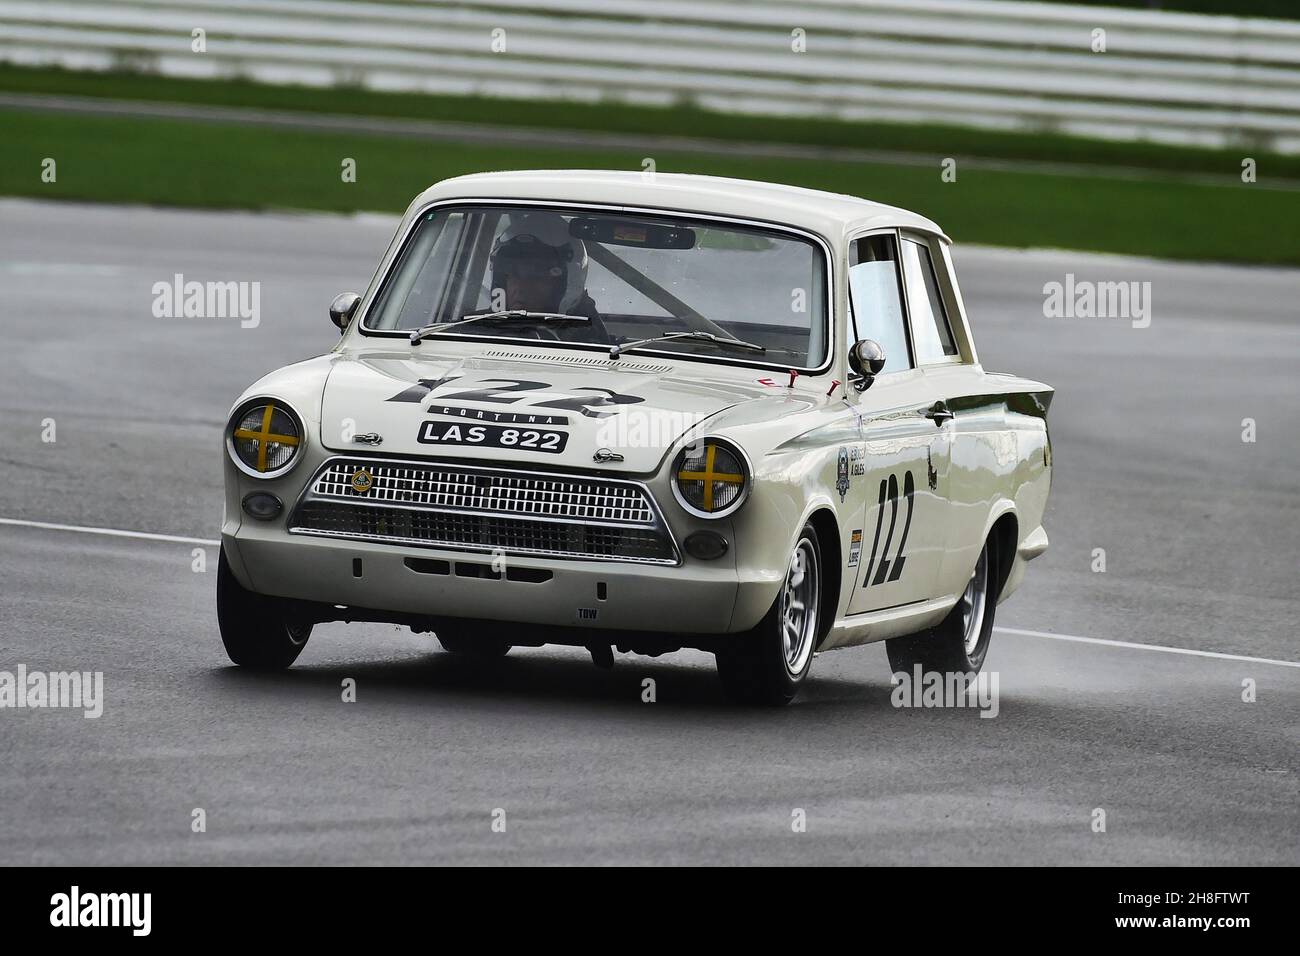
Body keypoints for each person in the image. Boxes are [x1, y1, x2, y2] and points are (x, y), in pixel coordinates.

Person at [487, 214, 609, 340]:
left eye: (535, 276)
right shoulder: (474, 328)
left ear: (566, 284)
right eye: (512, 274)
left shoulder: (591, 346)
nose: (520, 287)